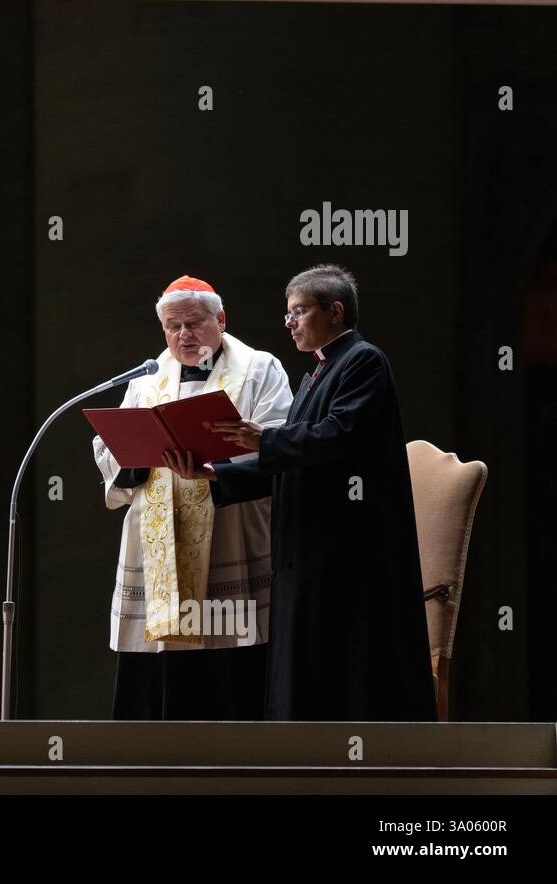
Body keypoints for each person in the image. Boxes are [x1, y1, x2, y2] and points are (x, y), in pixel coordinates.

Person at [164, 264, 437, 721]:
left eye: (299, 311)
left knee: (341, 667)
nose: (288, 322)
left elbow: (339, 435)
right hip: (307, 545)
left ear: (335, 311)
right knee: (305, 663)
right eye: (287, 313)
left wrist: (263, 440)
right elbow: (290, 461)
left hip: (345, 549)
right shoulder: (315, 376)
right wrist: (217, 473)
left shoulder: (363, 361)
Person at [91, 275, 293, 720]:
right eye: (172, 326)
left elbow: (279, 443)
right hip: (156, 541)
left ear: (220, 319)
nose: (183, 335)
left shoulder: (260, 369)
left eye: (194, 323)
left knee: (229, 668)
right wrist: (136, 458)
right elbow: (111, 448)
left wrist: (216, 471)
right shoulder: (147, 378)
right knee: (158, 671)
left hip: (231, 531)